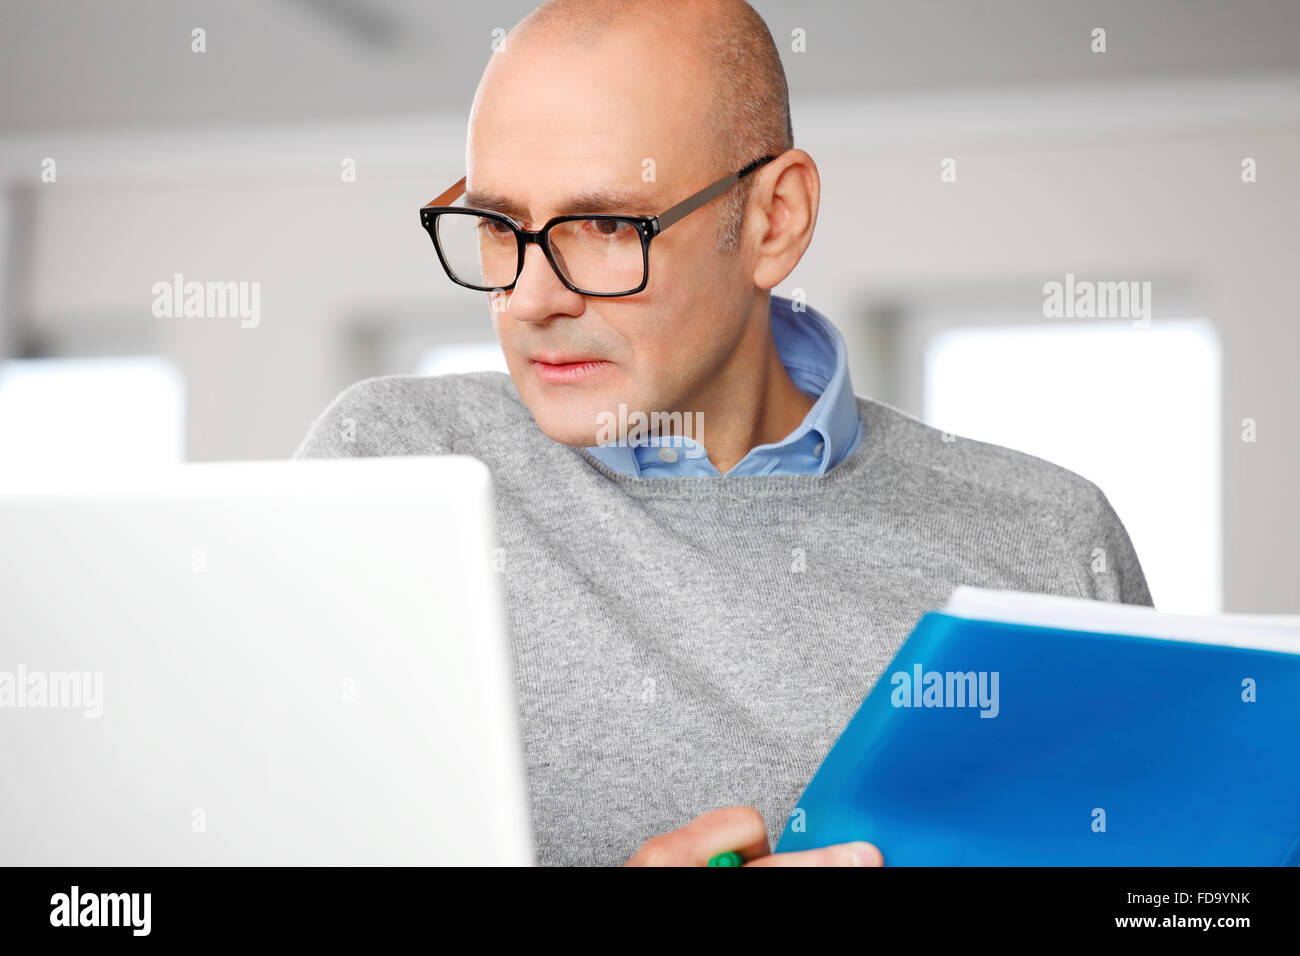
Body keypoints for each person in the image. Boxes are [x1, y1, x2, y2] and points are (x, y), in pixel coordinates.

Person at [294, 0, 1152, 866]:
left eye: (603, 227)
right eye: (495, 226)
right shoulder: (388, 465)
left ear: (774, 220)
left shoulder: (1050, 540)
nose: (529, 300)